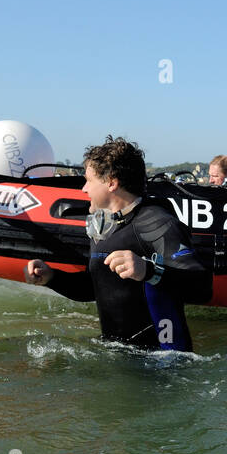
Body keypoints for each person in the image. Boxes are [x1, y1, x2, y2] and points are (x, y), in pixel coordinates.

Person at [24, 136, 211, 351]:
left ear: (112, 183)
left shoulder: (156, 223)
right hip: (116, 354)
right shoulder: (104, 226)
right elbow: (97, 287)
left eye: (89, 180)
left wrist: (149, 271)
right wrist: (52, 277)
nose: (83, 189)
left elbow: (202, 287)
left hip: (162, 362)